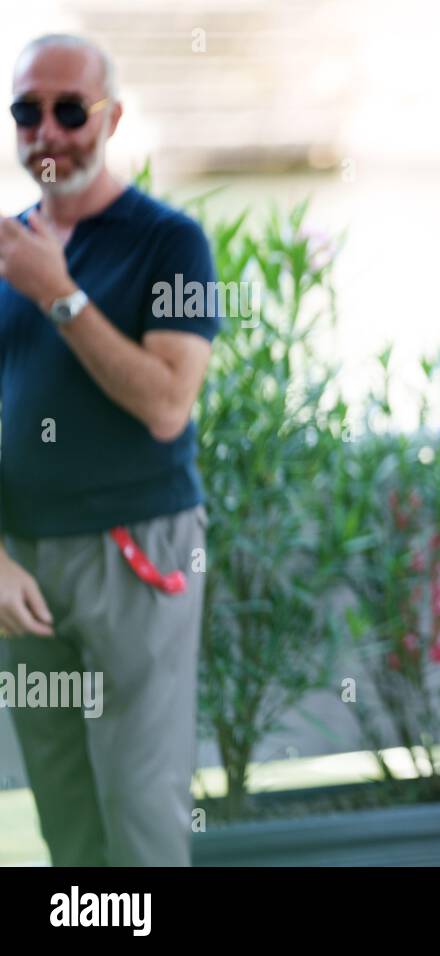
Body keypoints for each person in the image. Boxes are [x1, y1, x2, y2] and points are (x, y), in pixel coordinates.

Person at [0, 34, 218, 866]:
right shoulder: (9, 247)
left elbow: (168, 404)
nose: (47, 132)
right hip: (23, 568)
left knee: (139, 808)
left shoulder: (173, 242)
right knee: (64, 815)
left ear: (112, 117)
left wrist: (59, 295)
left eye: (68, 110)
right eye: (28, 110)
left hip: (138, 552)